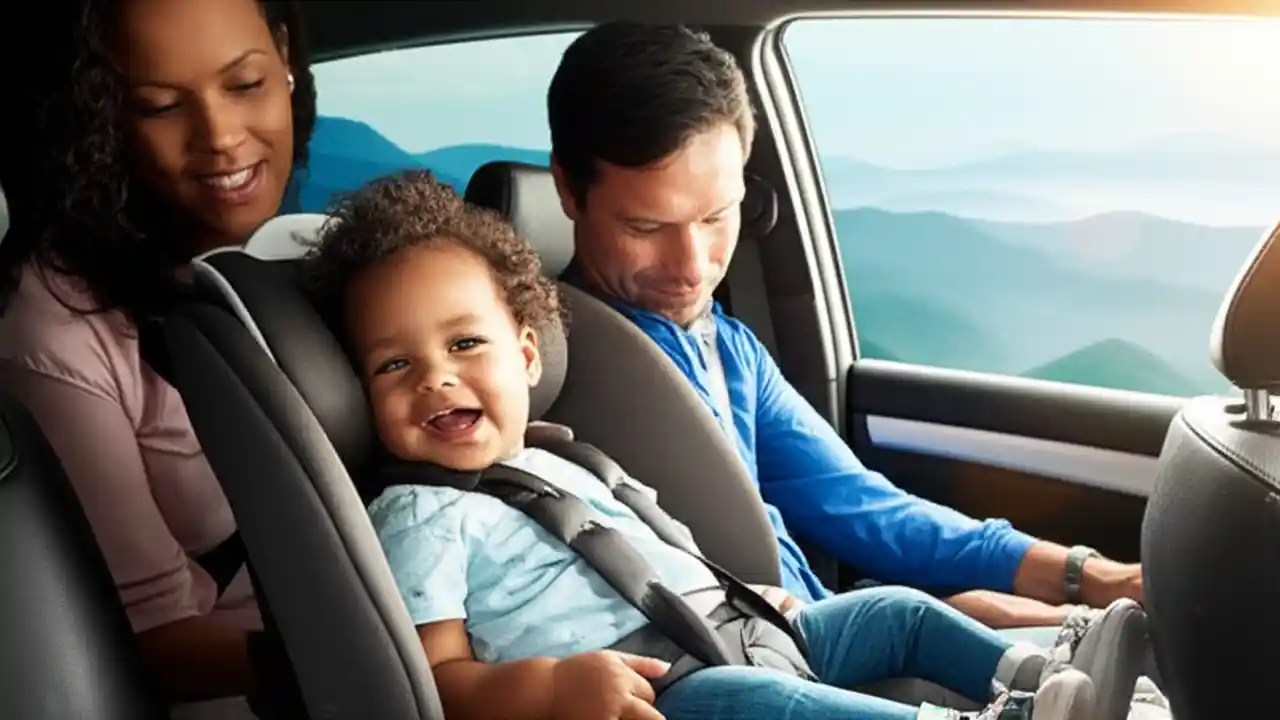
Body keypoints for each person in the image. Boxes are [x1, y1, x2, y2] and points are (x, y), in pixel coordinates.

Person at [303, 169, 1136, 720]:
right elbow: (432, 681)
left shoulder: (560, 458)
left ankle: (1043, 679)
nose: (437, 380)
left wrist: (742, 597)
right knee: (762, 705)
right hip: (656, 691)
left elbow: (654, 549)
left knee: (896, 612)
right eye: (395, 365)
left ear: (526, 353)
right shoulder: (418, 514)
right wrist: (553, 688)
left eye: (465, 346)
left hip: (729, 626)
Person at [544, 21, 1144, 632]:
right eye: (646, 229)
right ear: (568, 188)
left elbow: (864, 509)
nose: (692, 267)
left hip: (825, 631)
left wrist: (1090, 576)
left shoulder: (726, 347)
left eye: (717, 217)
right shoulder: (537, 373)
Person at [0, 0, 316, 705]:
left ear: (287, 60)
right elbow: (149, 641)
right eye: (161, 106)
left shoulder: (303, 257)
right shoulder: (55, 332)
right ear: (100, 121)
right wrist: (379, 656)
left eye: (244, 86)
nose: (223, 138)